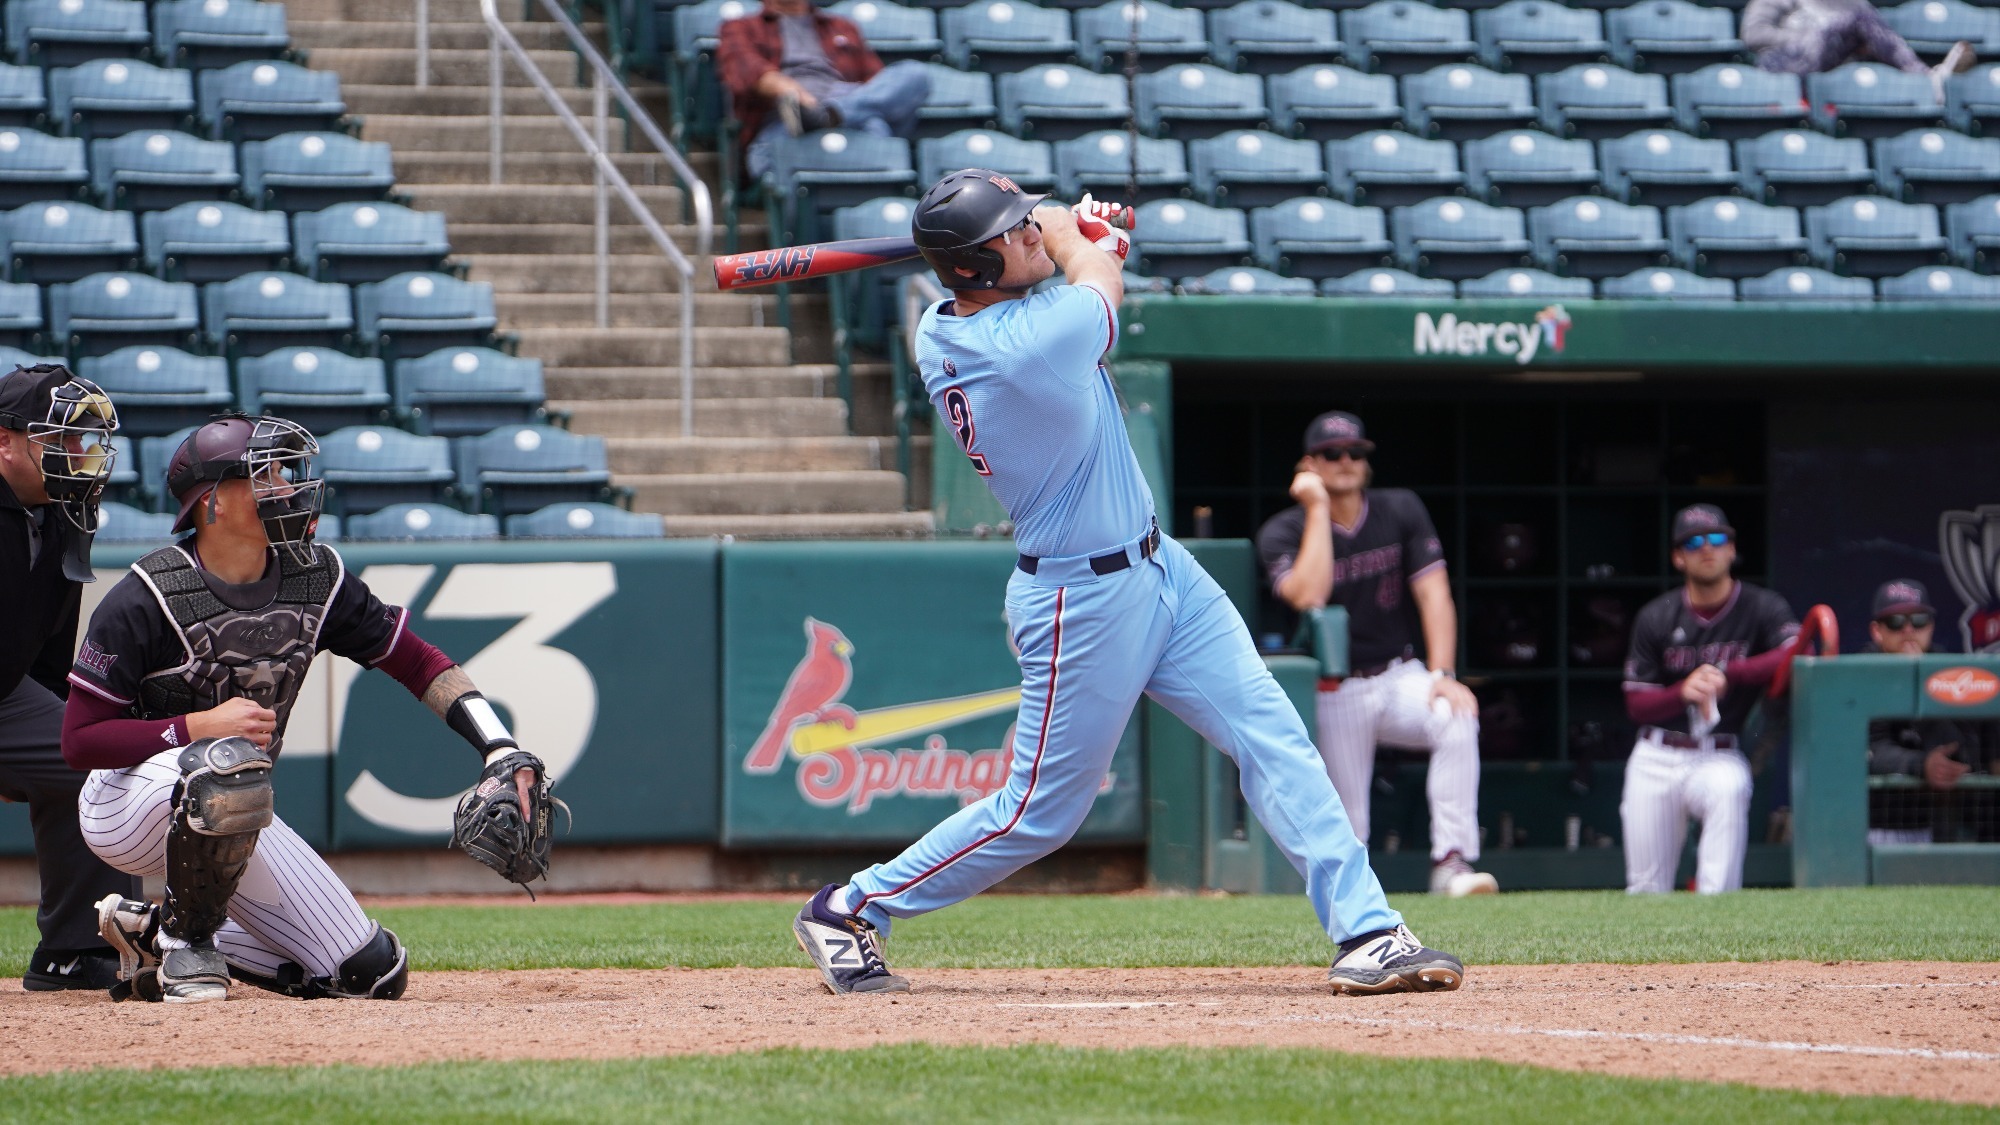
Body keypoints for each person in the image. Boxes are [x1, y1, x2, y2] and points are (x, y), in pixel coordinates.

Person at [789, 169, 1464, 998]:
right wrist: (1085, 239)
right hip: (1082, 599)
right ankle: (853, 905)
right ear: (975, 267)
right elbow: (1093, 285)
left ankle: (1369, 930)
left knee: (1274, 735)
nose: (1030, 231)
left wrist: (1065, 235)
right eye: (1012, 231)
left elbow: (1072, 270)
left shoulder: (952, 319)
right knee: (1039, 810)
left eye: (1026, 222)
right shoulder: (1018, 346)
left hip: (1159, 564)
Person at [63, 413, 554, 1003]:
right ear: (212, 503)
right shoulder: (146, 594)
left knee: (372, 972)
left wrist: (499, 745)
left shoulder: (316, 576)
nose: (288, 488)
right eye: (265, 476)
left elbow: (419, 663)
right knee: (225, 764)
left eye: (286, 473)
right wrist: (195, 726)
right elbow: (81, 741)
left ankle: (150, 928)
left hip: (234, 813)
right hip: (125, 805)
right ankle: (185, 950)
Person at [1254, 413, 1494, 898]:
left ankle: (1452, 862)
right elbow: (1309, 594)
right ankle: (1358, 899)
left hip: (1397, 673)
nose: (1345, 461)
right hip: (1335, 688)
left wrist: (1444, 673)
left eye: (1355, 453)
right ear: (1310, 464)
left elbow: (1434, 595)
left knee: (1455, 715)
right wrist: (1318, 508)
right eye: (1332, 454)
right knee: (1351, 822)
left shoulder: (1400, 508)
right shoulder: (1281, 530)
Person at [0, 364, 144, 991]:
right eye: (59, 438)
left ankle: (77, 949)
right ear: (5, 442)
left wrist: (56, 738)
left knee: (97, 755)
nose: (79, 454)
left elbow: (50, 654)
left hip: (6, 692)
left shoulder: (66, 511)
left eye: (84, 440)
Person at [1619, 504, 1800, 894]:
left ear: (1732, 549)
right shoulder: (1657, 615)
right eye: (1694, 542)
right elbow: (1636, 704)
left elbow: (1798, 651)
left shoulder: (1762, 606)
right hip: (1658, 754)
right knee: (1647, 890)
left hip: (1719, 750)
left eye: (1718, 539)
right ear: (1678, 557)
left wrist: (1731, 674)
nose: (1708, 549)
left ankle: (1717, 923)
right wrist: (1682, 691)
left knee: (1729, 788)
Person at [718, 0, 931, 181]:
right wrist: (793, 92)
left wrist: (831, 111)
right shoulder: (741, 26)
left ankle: (829, 114)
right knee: (876, 126)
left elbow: (876, 87)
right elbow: (744, 70)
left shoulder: (843, 26)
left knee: (914, 74)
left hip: (849, 110)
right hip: (786, 121)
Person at [1863, 579, 1981, 844]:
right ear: (1877, 631)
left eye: (1918, 621)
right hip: (1872, 824)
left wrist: (1921, 684)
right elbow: (1870, 748)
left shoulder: (1949, 673)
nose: (1908, 630)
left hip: (1936, 824)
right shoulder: (1861, 673)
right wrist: (1920, 764)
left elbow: (1964, 746)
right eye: (1895, 622)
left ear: (1931, 626)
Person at [1741, 0, 1975, 99]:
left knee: (1866, 23)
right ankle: (1926, 79)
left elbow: (1880, 34)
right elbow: (1752, 34)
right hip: (1781, 67)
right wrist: (1807, 37)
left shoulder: (1852, 4)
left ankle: (1923, 86)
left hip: (1829, 72)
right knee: (1859, 20)